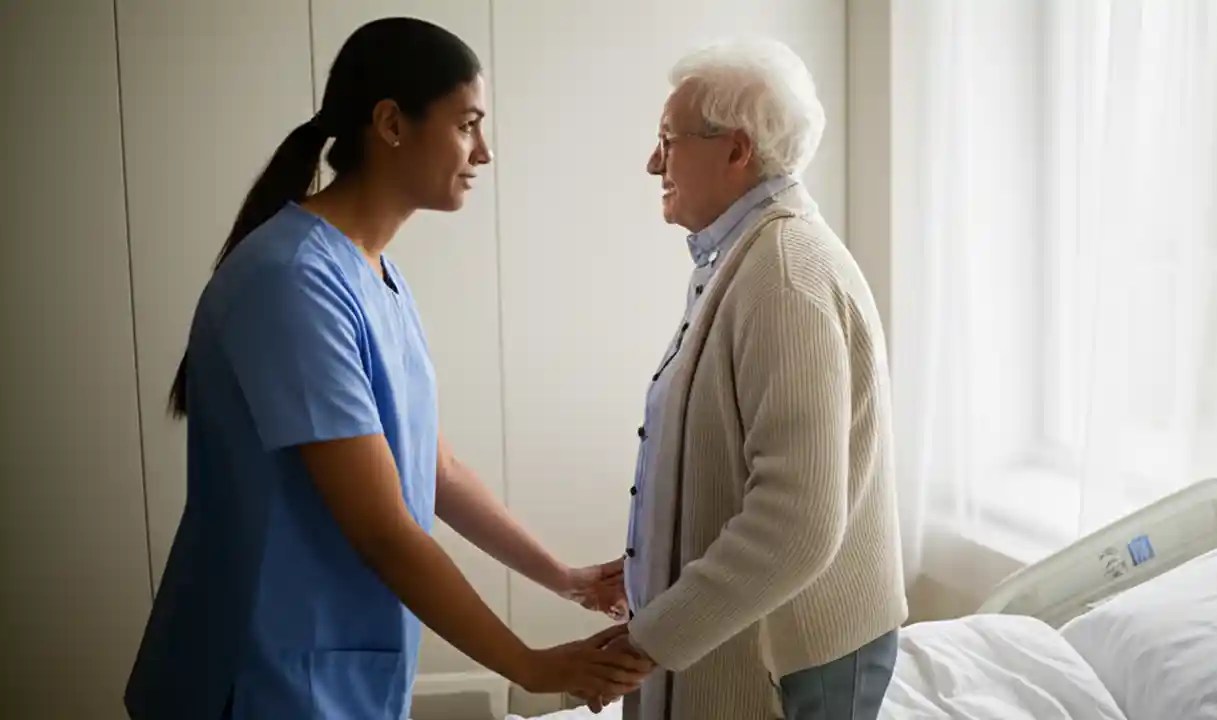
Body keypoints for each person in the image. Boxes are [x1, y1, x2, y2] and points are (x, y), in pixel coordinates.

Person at [124, 18, 648, 720]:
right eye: (468, 124)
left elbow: (429, 467)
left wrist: (567, 578)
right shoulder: (292, 281)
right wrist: (531, 665)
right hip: (261, 673)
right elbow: (381, 526)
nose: (484, 152)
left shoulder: (376, 276)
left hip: (336, 667)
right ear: (391, 124)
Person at [596, 39, 909, 719]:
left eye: (667, 141)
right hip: (779, 641)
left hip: (802, 660)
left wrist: (649, 640)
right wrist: (646, 563)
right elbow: (721, 460)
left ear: (736, 151)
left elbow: (793, 523)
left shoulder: (786, 272)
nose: (654, 162)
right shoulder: (745, 257)